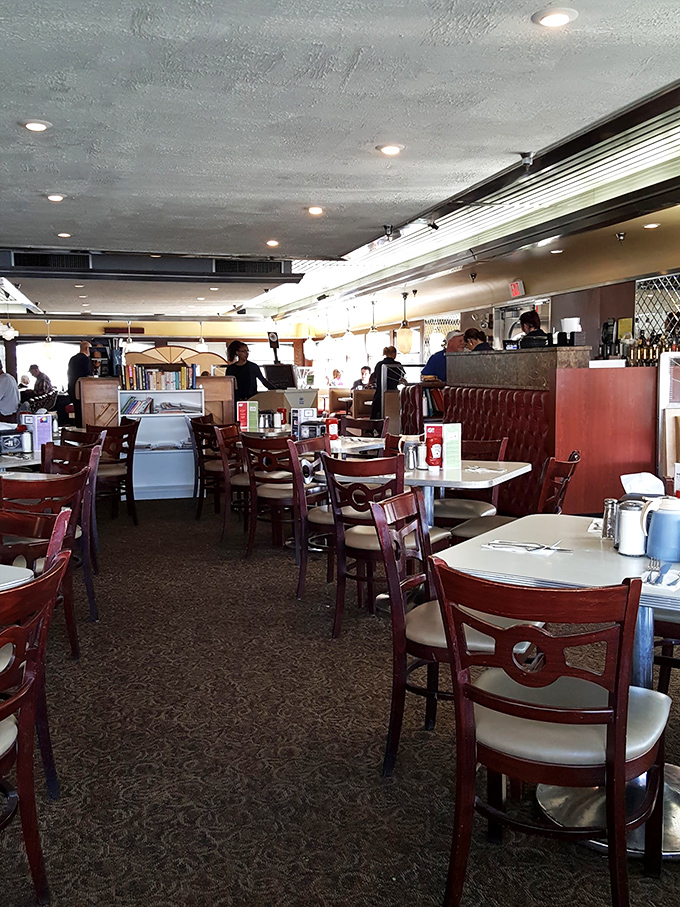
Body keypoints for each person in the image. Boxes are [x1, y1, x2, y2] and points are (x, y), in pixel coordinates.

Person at [370, 346, 405, 419]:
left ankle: (372, 428)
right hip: (393, 392)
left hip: (379, 392)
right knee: (392, 415)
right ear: (394, 354)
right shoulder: (397, 365)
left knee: (375, 413)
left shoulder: (379, 364)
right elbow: (401, 377)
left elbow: (375, 377)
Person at [67, 340, 92, 427]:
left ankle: (79, 428)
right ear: (86, 348)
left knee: (77, 411)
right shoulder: (85, 359)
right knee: (84, 412)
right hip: (82, 390)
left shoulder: (72, 359)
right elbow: (87, 375)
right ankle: (84, 428)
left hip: (72, 388)